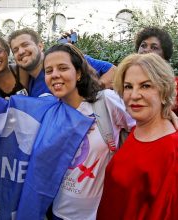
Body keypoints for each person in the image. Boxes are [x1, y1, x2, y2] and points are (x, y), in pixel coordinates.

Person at [43, 43, 134, 220]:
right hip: (57, 213)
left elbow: (146, 123)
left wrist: (169, 117)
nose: (55, 75)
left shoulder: (105, 101)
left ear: (78, 73)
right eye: (48, 70)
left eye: (62, 68)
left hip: (100, 214)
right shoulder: (46, 107)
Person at [97, 53, 178, 219]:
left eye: (145, 86)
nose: (133, 95)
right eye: (128, 86)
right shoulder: (138, 129)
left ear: (164, 91)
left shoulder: (171, 151)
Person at [8, 28, 115, 97]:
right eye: (15, 50)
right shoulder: (29, 84)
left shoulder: (65, 60)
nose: (21, 51)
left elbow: (114, 71)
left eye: (25, 45)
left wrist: (91, 94)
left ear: (40, 46)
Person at [134, 26, 178, 114]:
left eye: (154, 47)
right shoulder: (127, 81)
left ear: (164, 56)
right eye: (143, 45)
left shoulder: (175, 85)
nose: (146, 50)